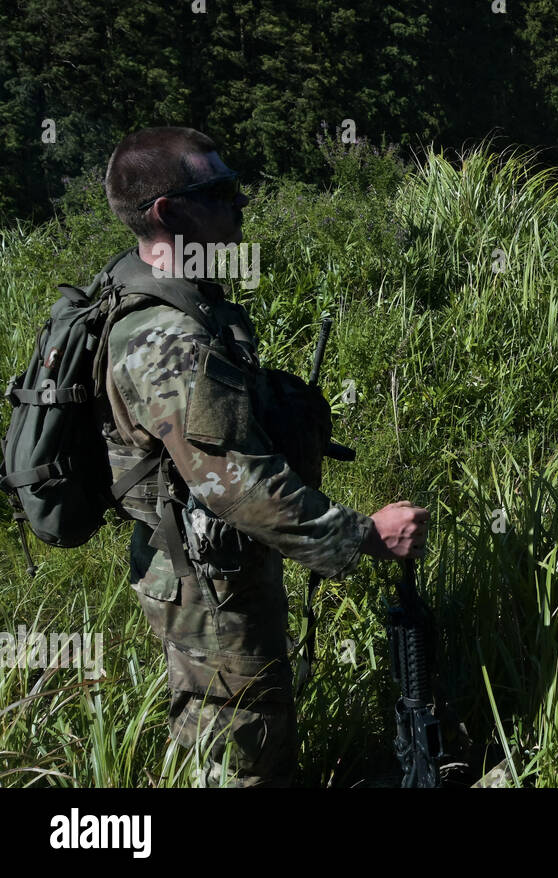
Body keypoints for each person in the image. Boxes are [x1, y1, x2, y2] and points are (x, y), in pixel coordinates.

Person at [101, 127, 428, 786]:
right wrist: (366, 535)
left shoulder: (175, 304)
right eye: (220, 193)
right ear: (169, 212)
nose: (239, 205)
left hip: (215, 568)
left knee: (251, 731)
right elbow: (231, 482)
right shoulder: (171, 339)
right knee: (240, 755)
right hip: (208, 586)